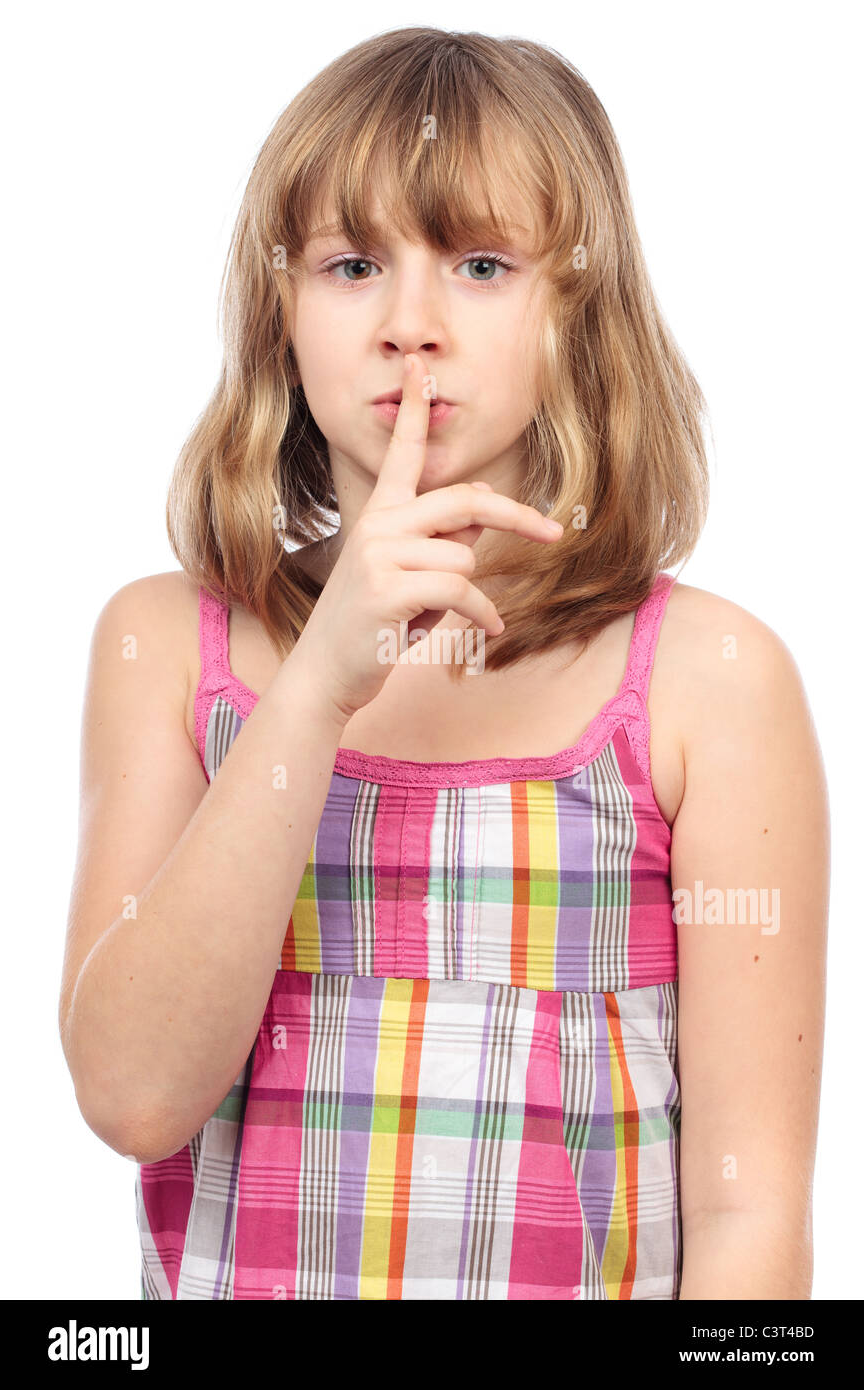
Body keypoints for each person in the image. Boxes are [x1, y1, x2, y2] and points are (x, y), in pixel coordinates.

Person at [58, 27, 828, 1300]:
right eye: (351, 264)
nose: (409, 326)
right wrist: (311, 691)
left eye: (479, 264)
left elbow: (749, 1214)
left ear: (575, 303)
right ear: (282, 308)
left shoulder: (709, 681)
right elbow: (134, 1094)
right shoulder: (166, 652)